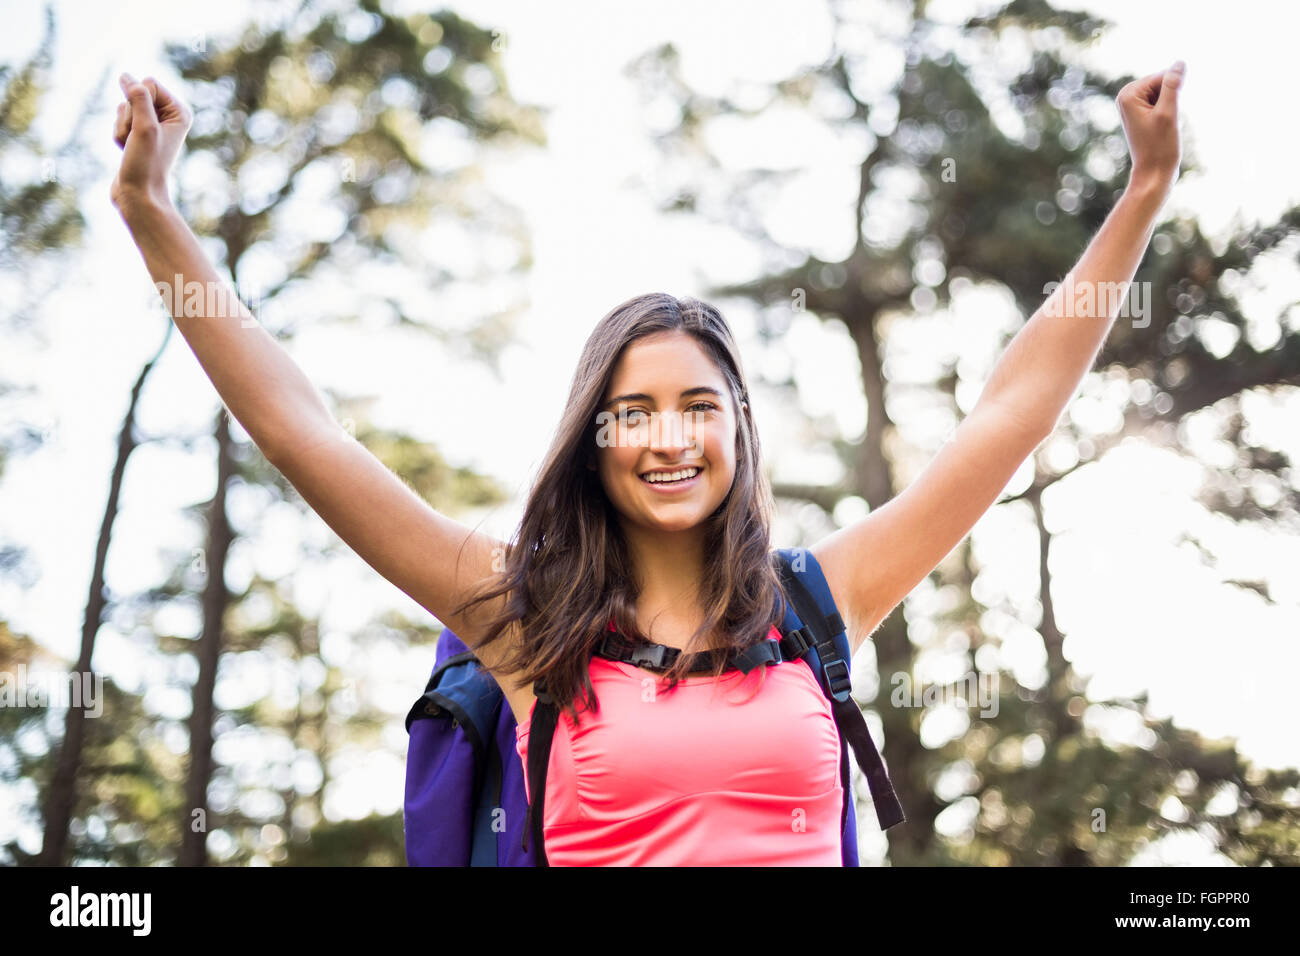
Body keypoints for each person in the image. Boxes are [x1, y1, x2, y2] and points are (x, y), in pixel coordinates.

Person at [110, 60, 1185, 865]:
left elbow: (1007, 414)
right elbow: (308, 434)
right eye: (632, 412)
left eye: (696, 408)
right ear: (594, 437)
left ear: (738, 428)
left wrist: (1141, 190)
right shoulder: (525, 625)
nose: (668, 437)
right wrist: (155, 217)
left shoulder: (819, 599)